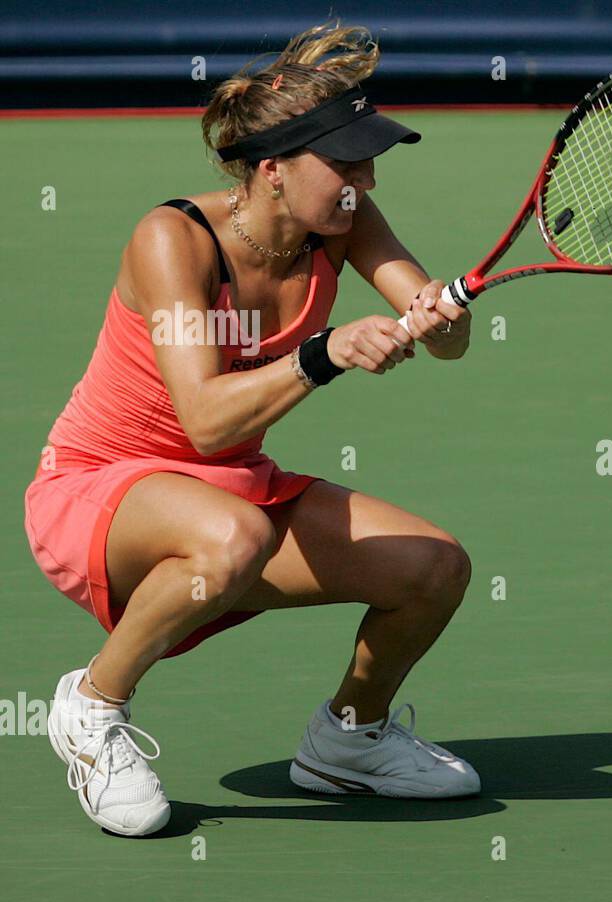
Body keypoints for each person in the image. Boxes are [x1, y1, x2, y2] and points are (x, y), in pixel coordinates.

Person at [24, 22, 481, 837]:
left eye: (369, 161)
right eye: (344, 164)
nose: (363, 180)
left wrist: (439, 318)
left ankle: (349, 738)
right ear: (272, 170)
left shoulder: (345, 223)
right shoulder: (172, 239)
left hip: (228, 495)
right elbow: (202, 422)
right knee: (232, 535)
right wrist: (327, 351)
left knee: (434, 568)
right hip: (96, 490)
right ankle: (91, 709)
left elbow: (444, 337)